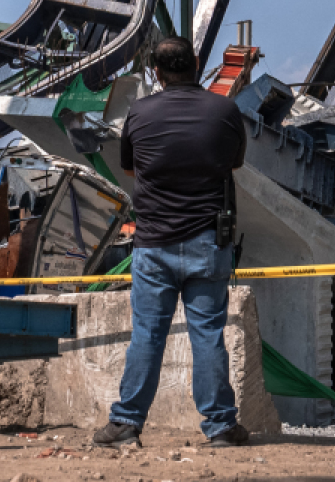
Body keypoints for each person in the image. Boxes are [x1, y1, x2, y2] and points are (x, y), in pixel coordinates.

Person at [93, 36, 249, 448]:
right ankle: (220, 427)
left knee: (147, 334)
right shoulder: (224, 110)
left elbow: (130, 168)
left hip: (154, 244)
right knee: (207, 334)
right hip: (208, 242)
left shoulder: (140, 112)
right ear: (196, 62)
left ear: (156, 72)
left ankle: (126, 424)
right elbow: (234, 163)